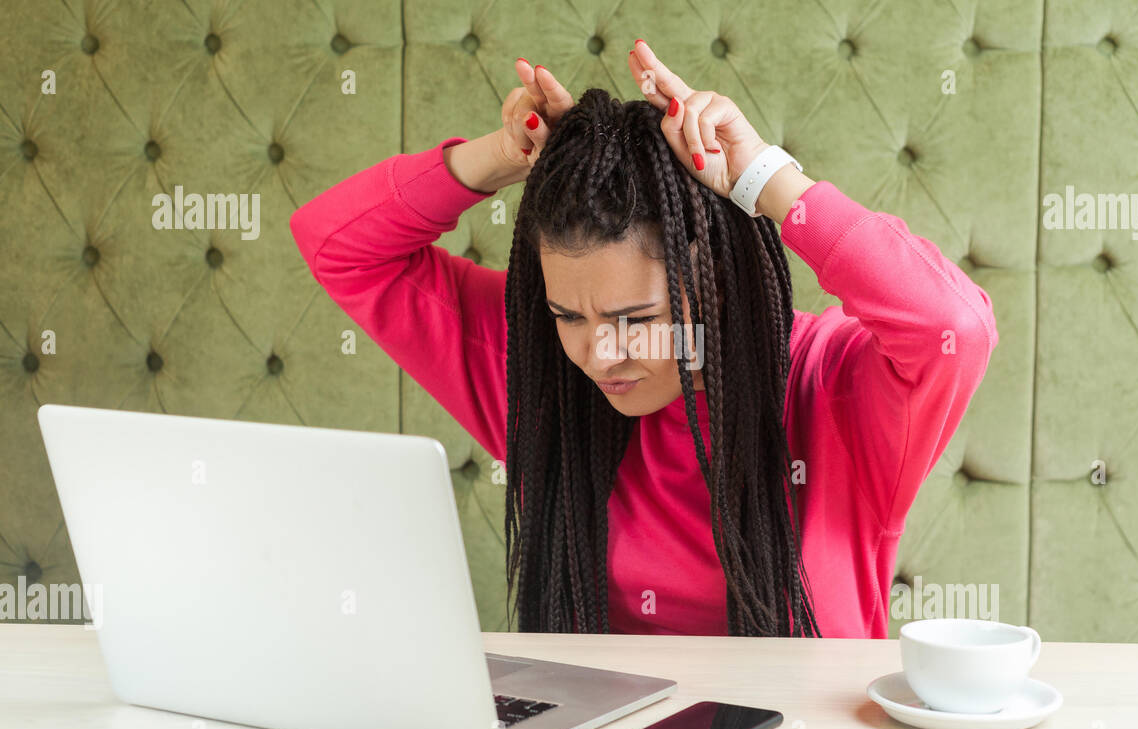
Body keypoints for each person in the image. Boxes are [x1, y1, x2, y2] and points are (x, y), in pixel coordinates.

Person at [290, 40, 999, 638]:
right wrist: (505, 156)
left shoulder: (834, 387)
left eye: (635, 321)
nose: (600, 356)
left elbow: (951, 326)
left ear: (712, 280)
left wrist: (765, 178)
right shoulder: (538, 374)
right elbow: (336, 245)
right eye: (570, 317)